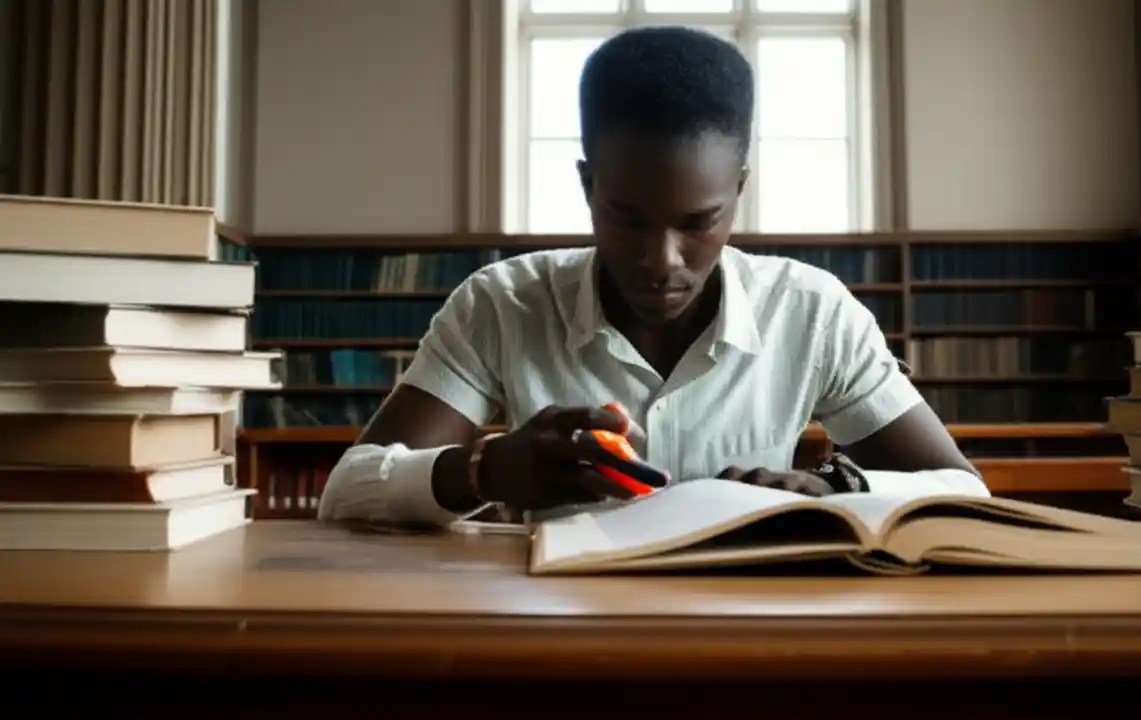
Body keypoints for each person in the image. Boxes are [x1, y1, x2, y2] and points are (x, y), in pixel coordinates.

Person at [318, 26, 985, 528]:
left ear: (739, 192)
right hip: (559, 649)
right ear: (587, 186)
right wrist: (480, 470)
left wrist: (837, 488)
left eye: (699, 222)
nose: (663, 261)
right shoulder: (501, 305)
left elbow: (963, 491)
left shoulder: (811, 312)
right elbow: (344, 493)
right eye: (627, 219)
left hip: (747, 649)